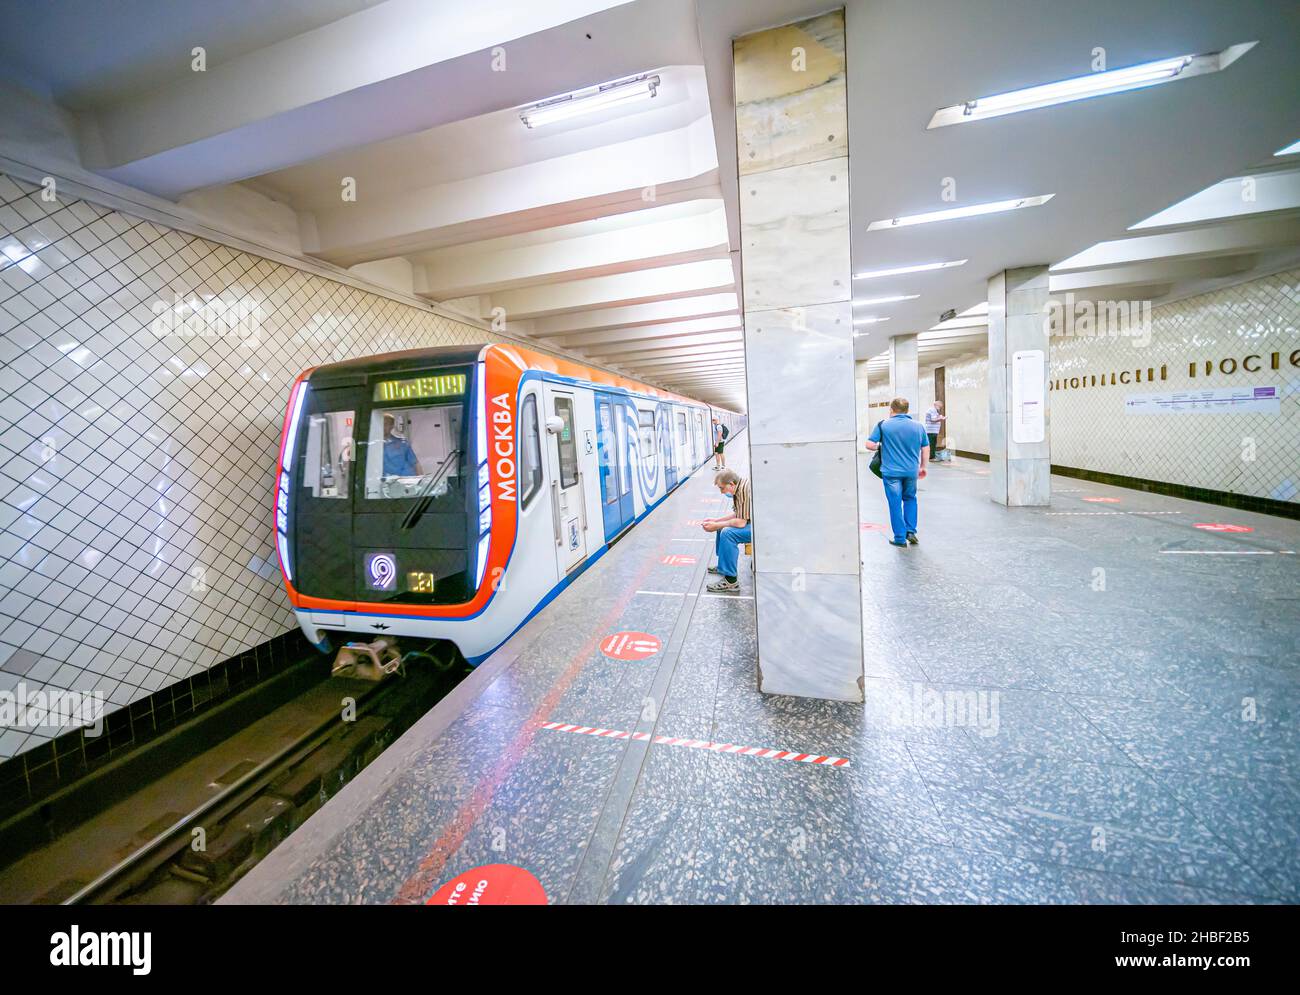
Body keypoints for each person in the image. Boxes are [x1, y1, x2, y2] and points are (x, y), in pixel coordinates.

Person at [865, 397, 929, 547]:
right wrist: (923, 467)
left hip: (891, 472)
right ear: (907, 410)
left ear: (891, 410)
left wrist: (880, 447)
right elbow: (925, 448)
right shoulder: (918, 426)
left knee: (895, 504)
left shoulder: (884, 425)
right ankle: (911, 531)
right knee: (910, 499)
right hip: (911, 471)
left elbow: (869, 444)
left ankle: (900, 538)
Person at [701, 469, 751, 593]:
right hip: (753, 523)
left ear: (731, 484)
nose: (722, 492)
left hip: (760, 528)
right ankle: (723, 566)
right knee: (721, 527)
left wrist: (717, 525)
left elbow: (741, 522)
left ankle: (731, 581)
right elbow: (738, 514)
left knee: (727, 533)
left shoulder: (744, 490)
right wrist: (716, 521)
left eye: (722, 488)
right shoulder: (739, 488)